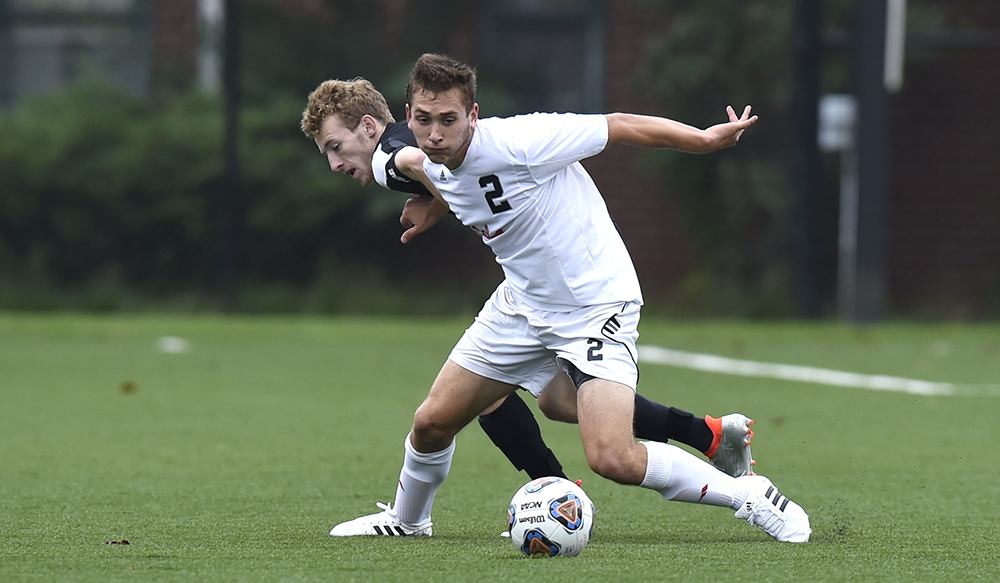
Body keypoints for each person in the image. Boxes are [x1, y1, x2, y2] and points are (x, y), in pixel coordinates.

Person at [321, 55, 810, 542]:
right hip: (522, 302)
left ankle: (750, 495)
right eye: (424, 121)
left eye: (449, 120)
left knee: (612, 457)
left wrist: (702, 139)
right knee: (432, 422)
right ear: (408, 117)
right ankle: (409, 521)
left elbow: (618, 126)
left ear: (472, 116)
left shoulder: (521, 141)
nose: (434, 134)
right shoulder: (407, 161)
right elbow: (425, 169)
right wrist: (435, 204)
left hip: (594, 302)